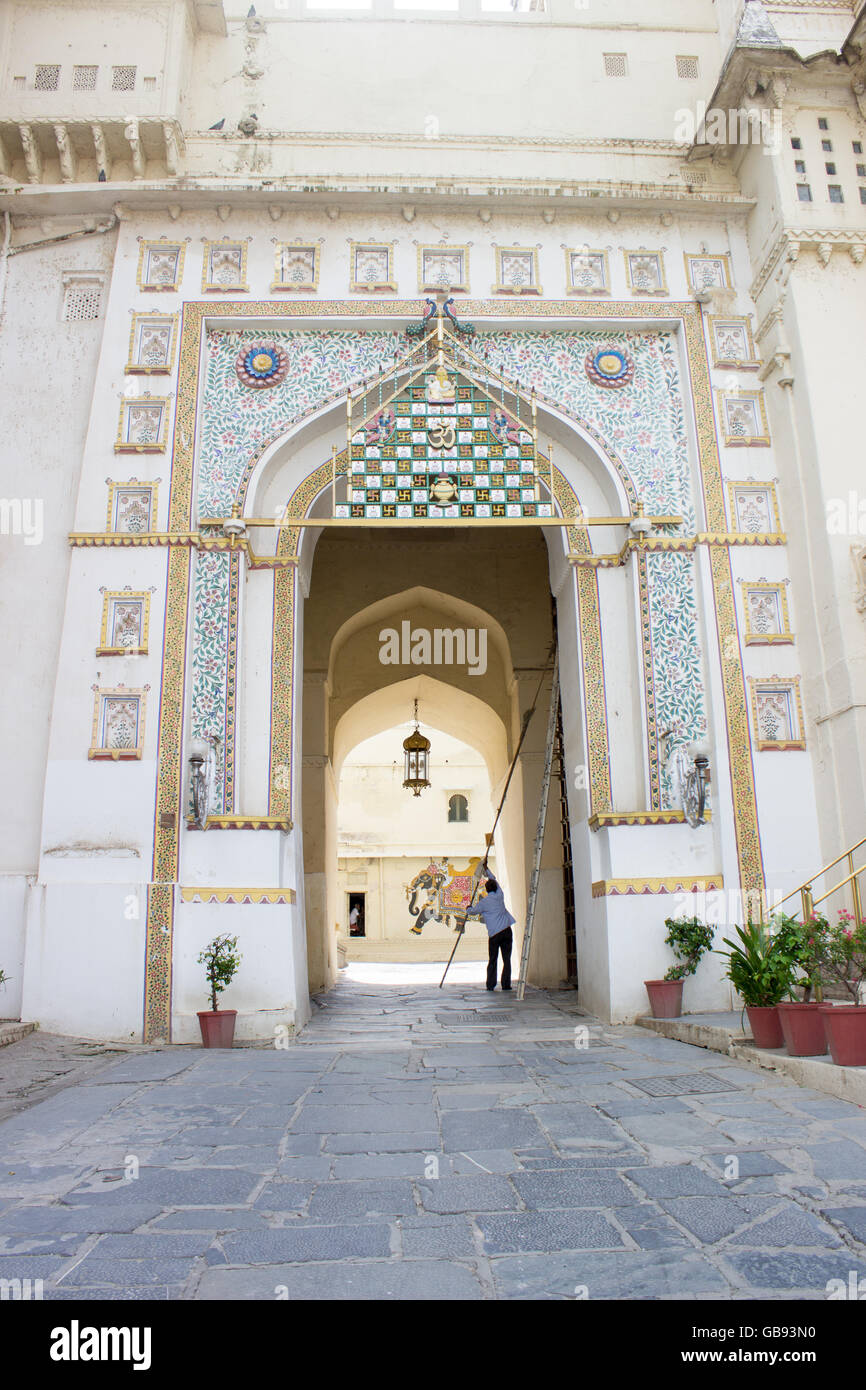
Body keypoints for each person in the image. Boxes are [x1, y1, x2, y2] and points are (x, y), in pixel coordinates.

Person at [463, 877, 516, 991]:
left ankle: (491, 984)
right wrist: (486, 870)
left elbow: (472, 911)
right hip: (506, 930)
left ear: (486, 890)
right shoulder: (500, 895)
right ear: (496, 887)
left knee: (493, 959)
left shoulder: (484, 902)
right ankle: (506, 984)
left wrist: (468, 908)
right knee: (506, 959)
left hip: (494, 934)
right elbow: (494, 879)